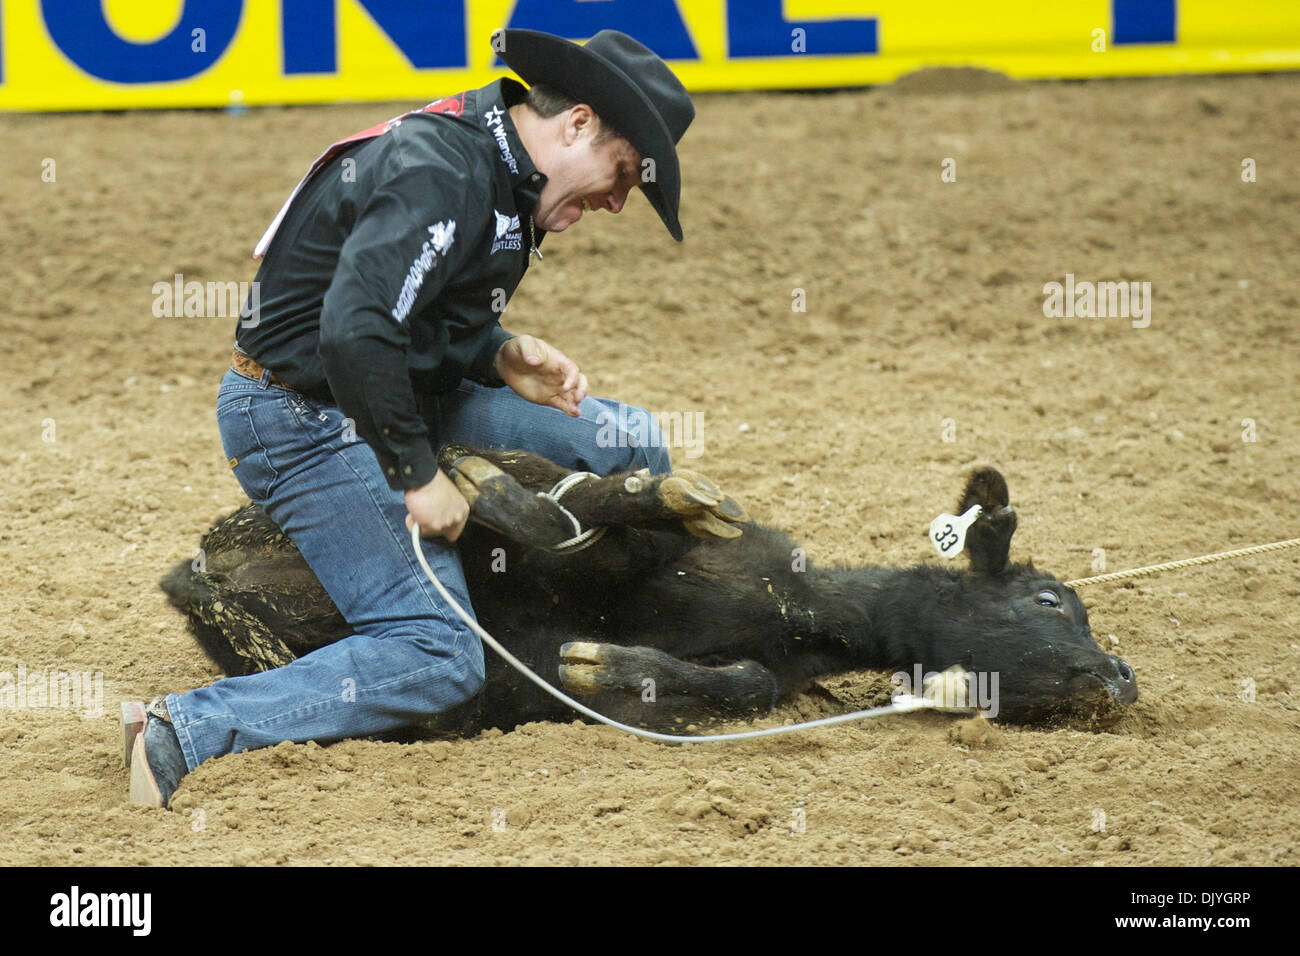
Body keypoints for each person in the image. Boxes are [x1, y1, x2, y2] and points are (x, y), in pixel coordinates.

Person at [124, 29, 695, 808]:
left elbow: (402, 313)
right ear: (578, 125)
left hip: (389, 391)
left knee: (628, 441)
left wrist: (496, 353)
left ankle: (650, 645)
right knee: (439, 655)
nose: (617, 201)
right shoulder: (441, 168)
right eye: (623, 175)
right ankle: (182, 728)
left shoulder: (498, 169)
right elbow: (355, 329)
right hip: (300, 416)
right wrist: (417, 476)